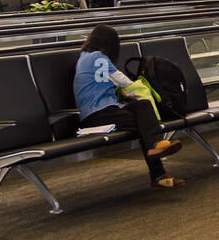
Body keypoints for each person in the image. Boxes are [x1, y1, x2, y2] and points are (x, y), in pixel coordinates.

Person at [73, 25, 183, 189]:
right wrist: (139, 89)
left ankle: (156, 151)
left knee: (143, 107)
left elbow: (113, 85)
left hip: (109, 109)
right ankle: (158, 172)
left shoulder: (86, 57)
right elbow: (122, 81)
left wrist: (132, 96)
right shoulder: (97, 57)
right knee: (145, 123)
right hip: (96, 114)